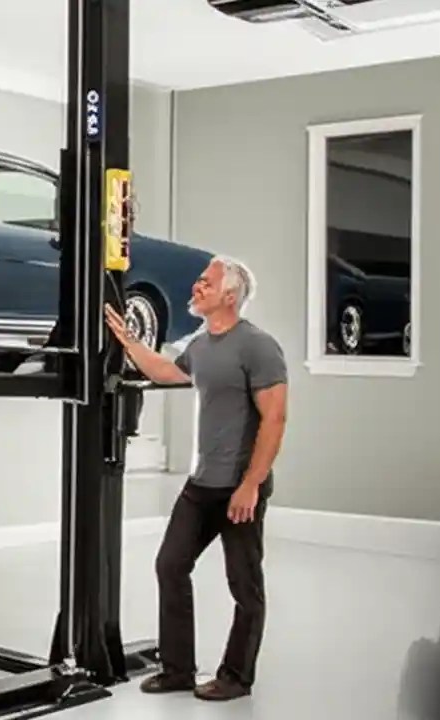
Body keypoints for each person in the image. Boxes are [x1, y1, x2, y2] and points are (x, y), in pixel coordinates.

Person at [103, 255, 288, 702]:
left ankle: (237, 677)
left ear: (230, 295)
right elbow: (168, 372)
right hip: (201, 484)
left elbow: (275, 418)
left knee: (244, 585)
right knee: (170, 564)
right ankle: (178, 670)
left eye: (206, 282)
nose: (197, 286)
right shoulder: (202, 345)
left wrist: (250, 485)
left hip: (239, 486)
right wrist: (128, 339)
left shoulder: (259, 347)